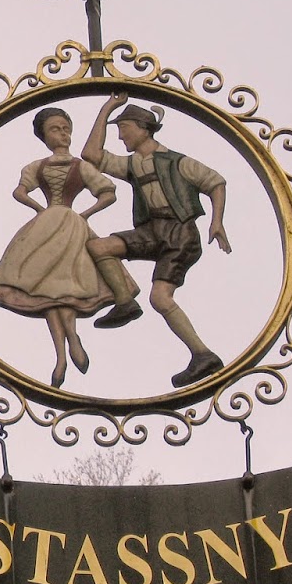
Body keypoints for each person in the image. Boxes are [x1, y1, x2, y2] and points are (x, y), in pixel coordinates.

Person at [81, 92, 231, 388]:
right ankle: (125, 302)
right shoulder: (132, 164)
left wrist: (217, 222)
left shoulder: (177, 162)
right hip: (151, 231)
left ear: (142, 128)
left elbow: (215, 182)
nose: (120, 137)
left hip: (179, 234)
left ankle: (203, 355)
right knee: (99, 246)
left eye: (124, 129)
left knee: (160, 298)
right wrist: (107, 107)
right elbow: (92, 155)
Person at [0, 107, 138, 388]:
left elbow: (108, 193)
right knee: (48, 290)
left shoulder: (81, 166)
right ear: (44, 136)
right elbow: (20, 191)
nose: (63, 133)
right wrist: (39, 209)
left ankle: (70, 345)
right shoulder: (36, 166)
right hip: (45, 225)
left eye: (66, 128)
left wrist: (85, 215)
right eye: (55, 129)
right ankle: (62, 355)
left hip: (71, 225)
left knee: (65, 287)